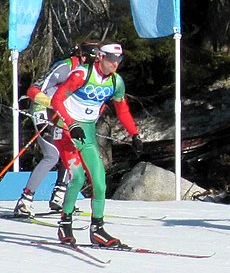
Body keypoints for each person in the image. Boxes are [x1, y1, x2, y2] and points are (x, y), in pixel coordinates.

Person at [51, 42, 143, 246]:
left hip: (87, 131)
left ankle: (98, 229)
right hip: (66, 130)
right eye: (112, 59)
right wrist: (71, 123)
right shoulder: (81, 75)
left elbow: (123, 110)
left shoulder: (116, 82)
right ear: (100, 57)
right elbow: (57, 100)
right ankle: (65, 223)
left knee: (99, 181)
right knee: (77, 177)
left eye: (119, 60)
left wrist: (134, 135)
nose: (115, 64)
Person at [14, 42, 99, 217]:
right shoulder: (64, 68)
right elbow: (33, 90)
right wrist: (53, 105)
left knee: (71, 149)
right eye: (90, 59)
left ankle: (59, 197)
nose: (93, 65)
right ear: (81, 56)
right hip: (43, 109)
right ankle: (25, 200)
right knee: (52, 155)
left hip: (63, 113)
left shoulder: (91, 74)